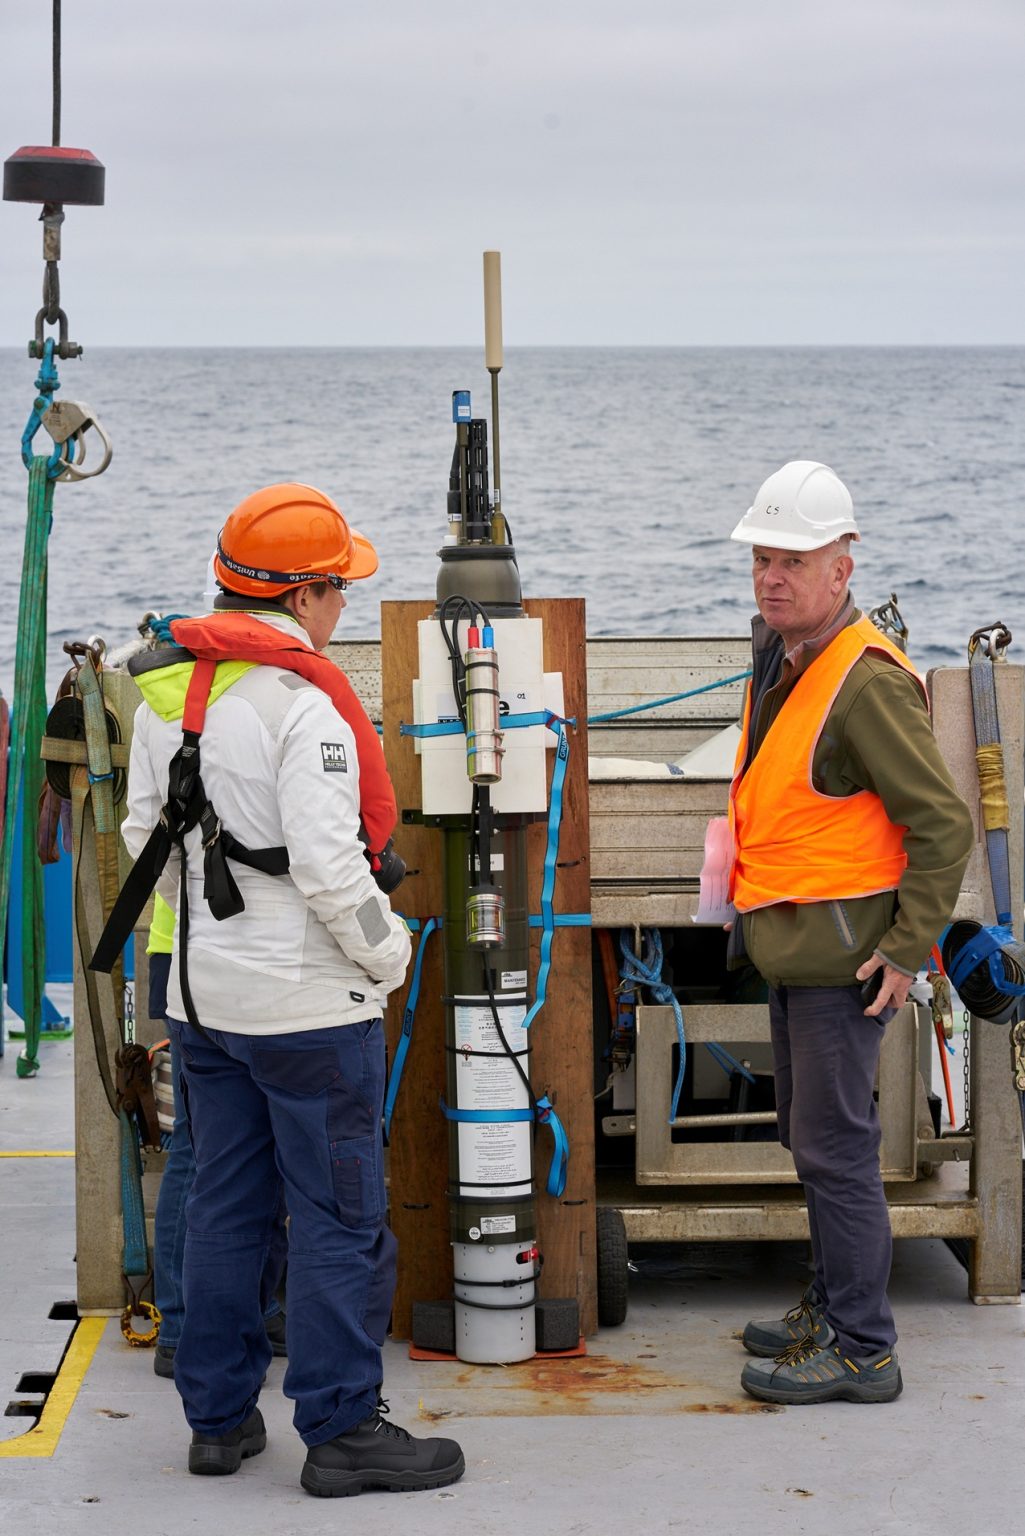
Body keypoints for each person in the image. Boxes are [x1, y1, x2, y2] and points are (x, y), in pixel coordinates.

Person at [120, 483, 465, 1494]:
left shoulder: (166, 696)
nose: (344, 608)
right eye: (340, 590)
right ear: (304, 595)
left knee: (224, 1203)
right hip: (311, 1013)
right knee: (337, 1217)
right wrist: (390, 957)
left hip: (204, 1004)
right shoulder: (304, 706)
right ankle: (342, 1429)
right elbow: (327, 864)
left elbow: (147, 842)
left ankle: (218, 1422)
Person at [724, 461, 973, 1406]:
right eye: (761, 559)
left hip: (844, 963)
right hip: (796, 952)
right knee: (813, 1140)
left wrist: (907, 953)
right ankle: (830, 1308)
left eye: (792, 560)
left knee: (834, 1151)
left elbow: (943, 824)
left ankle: (864, 1351)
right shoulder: (786, 657)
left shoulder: (862, 683)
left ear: (842, 566)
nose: (771, 577)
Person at [147, 893, 287, 1379]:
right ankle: (181, 1327)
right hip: (196, 947)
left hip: (243, 947)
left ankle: (253, 1309)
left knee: (253, 1142)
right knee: (200, 1145)